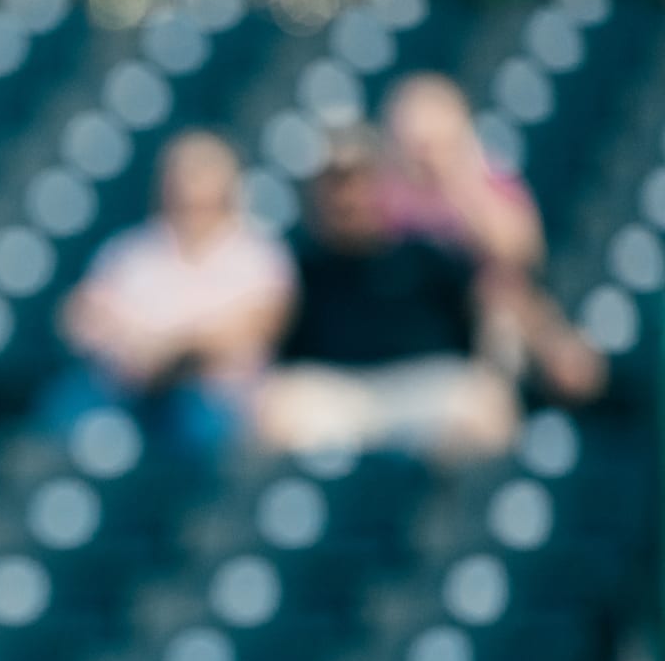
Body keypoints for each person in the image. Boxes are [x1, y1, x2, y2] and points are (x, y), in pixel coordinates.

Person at [254, 132, 516, 460]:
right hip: (337, 393)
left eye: (360, 182)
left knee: (484, 403)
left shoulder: (426, 255)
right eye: (336, 185)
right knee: (277, 408)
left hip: (422, 388)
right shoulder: (299, 266)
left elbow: (488, 311)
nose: (348, 198)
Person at [50, 129, 294, 450]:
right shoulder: (131, 251)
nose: (190, 190)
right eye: (182, 177)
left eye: (201, 176)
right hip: (124, 389)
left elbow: (259, 324)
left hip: (212, 397)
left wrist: (171, 349)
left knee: (199, 427)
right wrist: (132, 346)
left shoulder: (258, 255)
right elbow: (80, 315)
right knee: (66, 409)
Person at [379, 72, 603, 401]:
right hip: (411, 317)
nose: (423, 152)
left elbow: (523, 255)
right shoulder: (380, 192)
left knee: (566, 360)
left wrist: (459, 183)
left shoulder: (487, 182)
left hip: (484, 313)